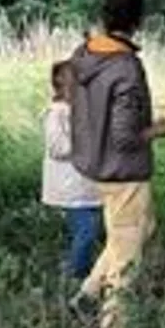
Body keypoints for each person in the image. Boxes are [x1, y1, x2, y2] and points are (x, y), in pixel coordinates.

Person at [68, 0, 165, 328]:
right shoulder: (126, 67)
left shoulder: (83, 54)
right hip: (123, 171)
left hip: (93, 164)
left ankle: (88, 293)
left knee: (142, 228)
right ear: (138, 21)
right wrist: (157, 130)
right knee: (128, 259)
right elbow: (125, 137)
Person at [43, 60, 103, 283]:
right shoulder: (56, 113)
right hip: (72, 189)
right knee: (87, 232)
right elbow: (56, 147)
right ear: (61, 83)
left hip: (88, 187)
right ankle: (73, 278)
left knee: (87, 233)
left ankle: (80, 273)